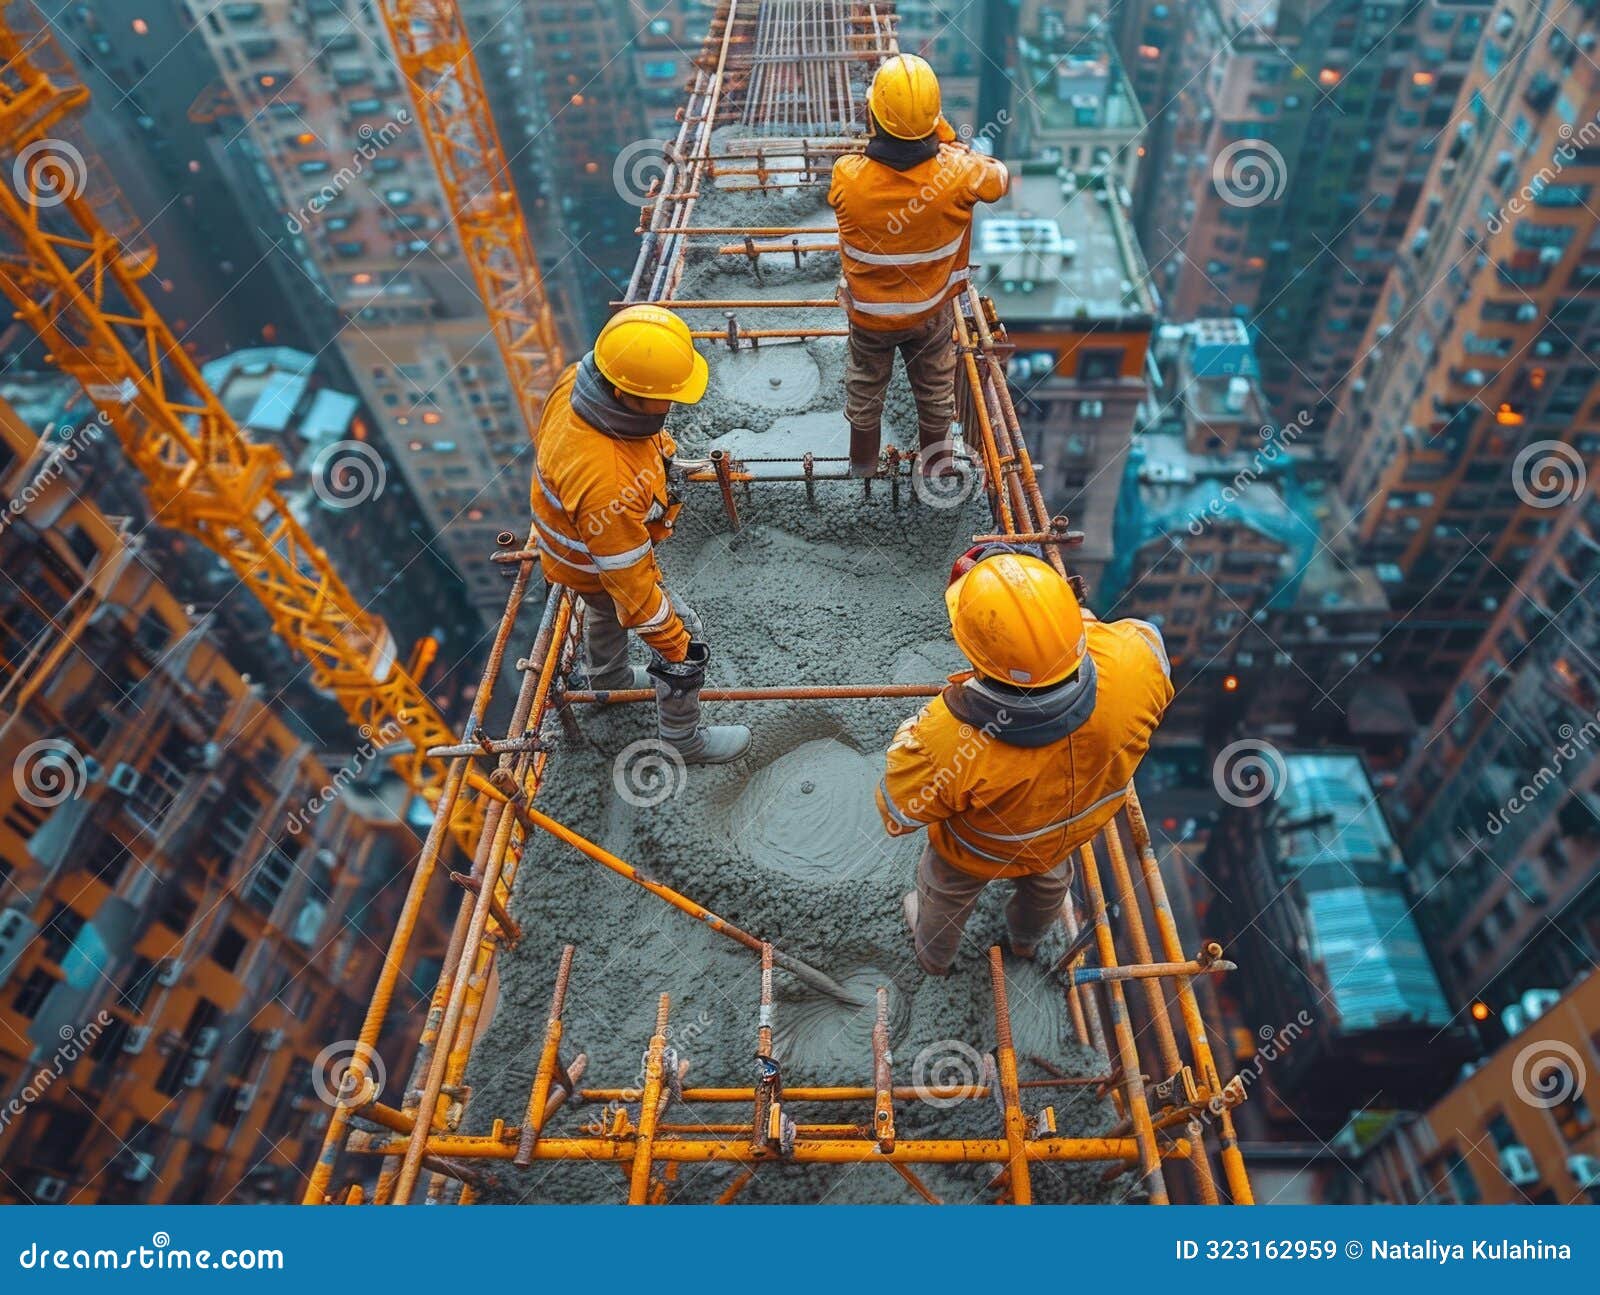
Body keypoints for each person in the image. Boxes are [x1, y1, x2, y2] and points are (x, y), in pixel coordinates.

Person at [875, 548, 1173, 975]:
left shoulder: (947, 739)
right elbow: (1135, 639)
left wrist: (911, 734)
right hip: (1069, 831)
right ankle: (1026, 943)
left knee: (944, 891)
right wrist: (1058, 625)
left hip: (977, 850)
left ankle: (934, 957)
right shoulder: (1135, 661)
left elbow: (900, 813)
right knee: (1048, 886)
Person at [530, 304, 750, 764]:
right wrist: (674, 643)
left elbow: (642, 436)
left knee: (602, 608)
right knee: (682, 638)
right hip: (596, 561)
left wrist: (665, 462)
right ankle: (683, 741)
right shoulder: (606, 479)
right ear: (625, 392)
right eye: (665, 397)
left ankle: (608, 682)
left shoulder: (580, 380)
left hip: (573, 552)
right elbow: (630, 585)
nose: (672, 405)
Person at [827, 54, 1009, 477]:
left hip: (870, 314)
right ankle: (936, 470)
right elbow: (998, 178)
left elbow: (842, 188)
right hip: (930, 312)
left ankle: (863, 467)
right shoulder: (959, 173)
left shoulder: (848, 176)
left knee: (865, 388)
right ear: (934, 118)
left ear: (874, 114)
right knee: (935, 392)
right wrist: (940, 132)